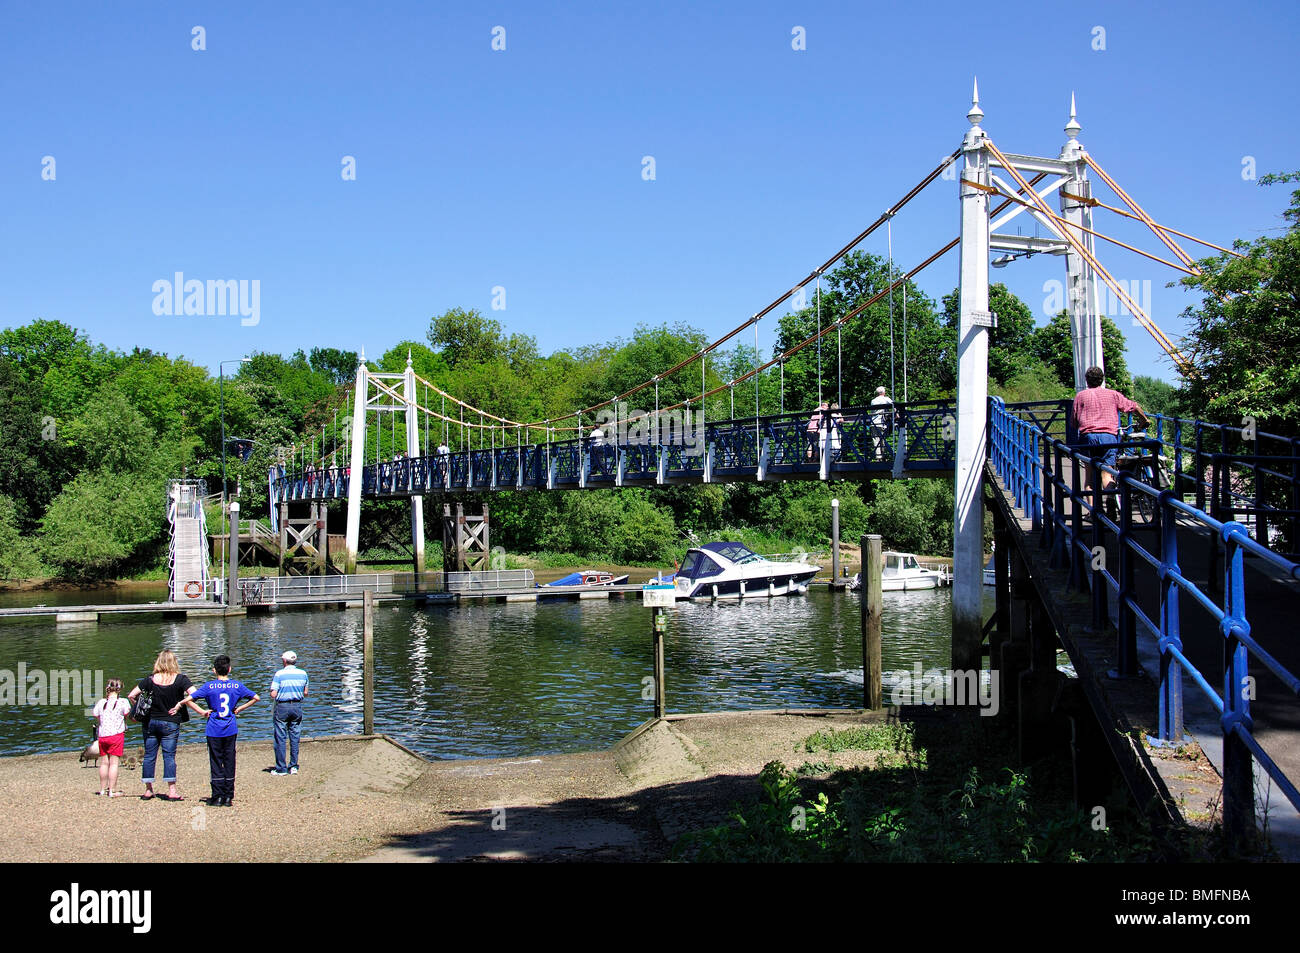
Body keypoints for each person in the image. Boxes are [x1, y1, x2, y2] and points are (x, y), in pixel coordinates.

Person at [177, 655, 259, 807]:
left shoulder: (209, 686)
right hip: (230, 727)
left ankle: (217, 796)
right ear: (229, 669)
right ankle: (228, 796)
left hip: (214, 728)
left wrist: (201, 711)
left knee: (215, 761)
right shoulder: (237, 685)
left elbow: (188, 699)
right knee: (229, 760)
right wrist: (240, 707)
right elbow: (256, 697)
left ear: (214, 671)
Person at [1073, 365, 1150, 497]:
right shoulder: (1113, 394)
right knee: (1107, 473)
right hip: (1108, 437)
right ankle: (1110, 497)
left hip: (1088, 437)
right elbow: (1134, 406)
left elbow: (1074, 421)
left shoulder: (1080, 396)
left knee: (1090, 476)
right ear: (1102, 380)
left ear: (1087, 380)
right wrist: (1144, 420)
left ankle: (1093, 512)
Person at [127, 650, 194, 801]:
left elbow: (131, 695)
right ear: (174, 662)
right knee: (169, 756)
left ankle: (148, 790)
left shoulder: (149, 680)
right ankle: (172, 791)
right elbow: (195, 694)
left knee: (149, 756)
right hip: (170, 721)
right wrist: (180, 704)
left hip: (150, 721)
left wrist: (140, 706)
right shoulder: (181, 679)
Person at [270, 650, 309, 776]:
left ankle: (281, 768)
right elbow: (306, 692)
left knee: (280, 737)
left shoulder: (279, 674)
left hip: (282, 706)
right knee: (295, 736)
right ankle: (293, 766)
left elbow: (273, 694)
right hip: (297, 706)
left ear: (284, 661)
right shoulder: (303, 673)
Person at [92, 678, 131, 797]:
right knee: (114, 763)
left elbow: (96, 714)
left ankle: (103, 789)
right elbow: (127, 713)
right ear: (119, 690)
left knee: (104, 763)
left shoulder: (101, 702)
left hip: (103, 736)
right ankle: (112, 791)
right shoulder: (122, 702)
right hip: (116, 736)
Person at [870, 387, 894, 461]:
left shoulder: (873, 401)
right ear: (883, 392)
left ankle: (878, 458)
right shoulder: (885, 399)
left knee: (876, 440)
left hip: (873, 423)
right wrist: (896, 414)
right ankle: (883, 456)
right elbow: (893, 405)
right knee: (882, 440)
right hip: (881, 422)